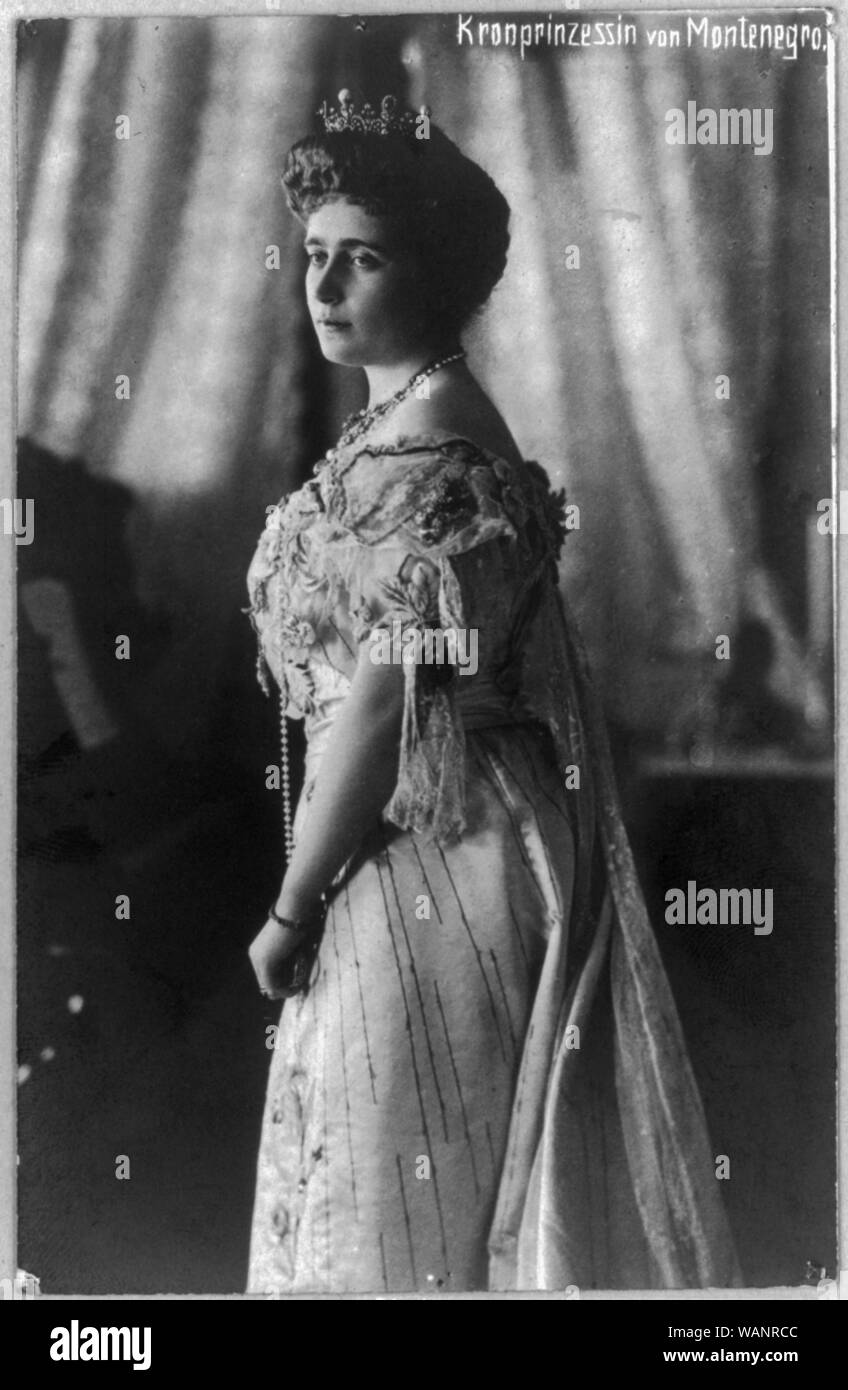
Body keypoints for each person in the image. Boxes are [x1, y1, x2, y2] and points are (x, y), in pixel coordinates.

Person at [245, 92, 740, 1293]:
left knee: (400, 1194)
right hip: (402, 842)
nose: (326, 284)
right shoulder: (384, 431)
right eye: (315, 254)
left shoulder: (440, 456)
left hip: (427, 847)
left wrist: (293, 906)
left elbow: (379, 706)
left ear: (442, 275)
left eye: (363, 258)